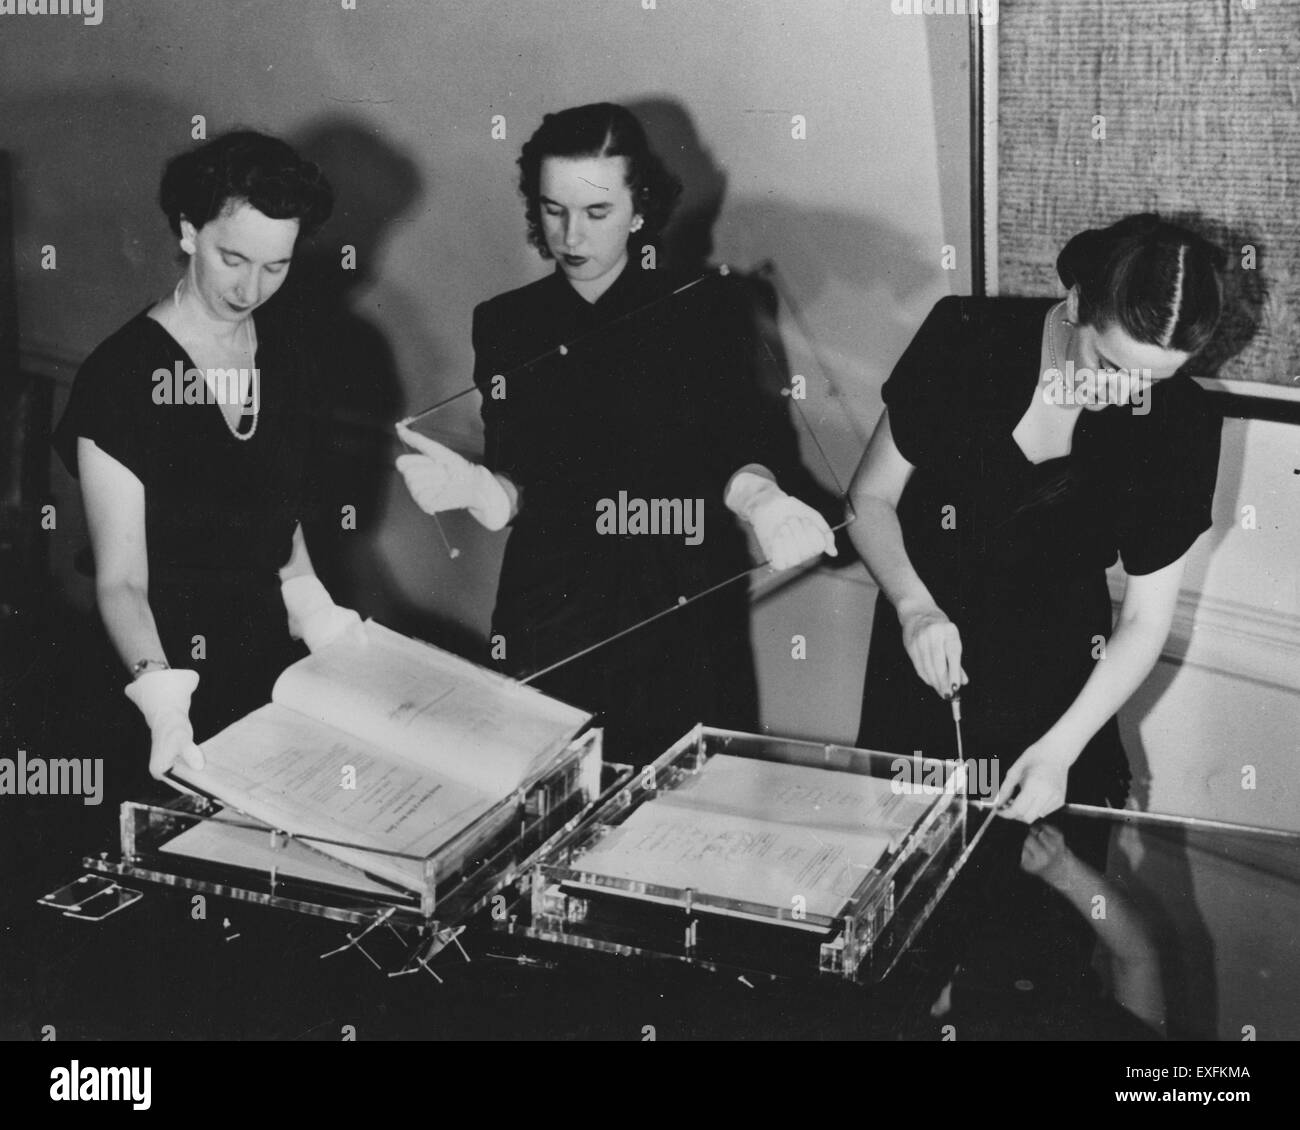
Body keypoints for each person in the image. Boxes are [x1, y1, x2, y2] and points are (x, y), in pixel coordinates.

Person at [395, 102, 835, 765]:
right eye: (553, 210)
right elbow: (523, 468)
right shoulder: (507, 324)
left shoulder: (708, 308)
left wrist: (765, 503)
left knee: (683, 818)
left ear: (639, 208)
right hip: (551, 615)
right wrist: (488, 492)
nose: (571, 235)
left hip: (680, 611)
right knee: (544, 810)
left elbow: (739, 446)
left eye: (596, 213)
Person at [848, 214, 1224, 823]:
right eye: (1110, 366)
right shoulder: (965, 338)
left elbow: (1145, 619)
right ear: (1077, 304)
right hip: (927, 648)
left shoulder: (1181, 421)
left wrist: (1060, 750)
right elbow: (869, 501)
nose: (1127, 395)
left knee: (1043, 903)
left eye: (1152, 380)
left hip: (1062, 690)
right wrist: (914, 607)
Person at [53, 131, 361, 780]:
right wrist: (162, 698)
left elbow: (276, 509)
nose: (250, 287)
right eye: (233, 258)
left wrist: (311, 602)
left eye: (275, 266)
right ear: (189, 231)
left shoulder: (287, 355)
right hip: (157, 669)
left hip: (263, 657)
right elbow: (122, 581)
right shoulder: (122, 379)